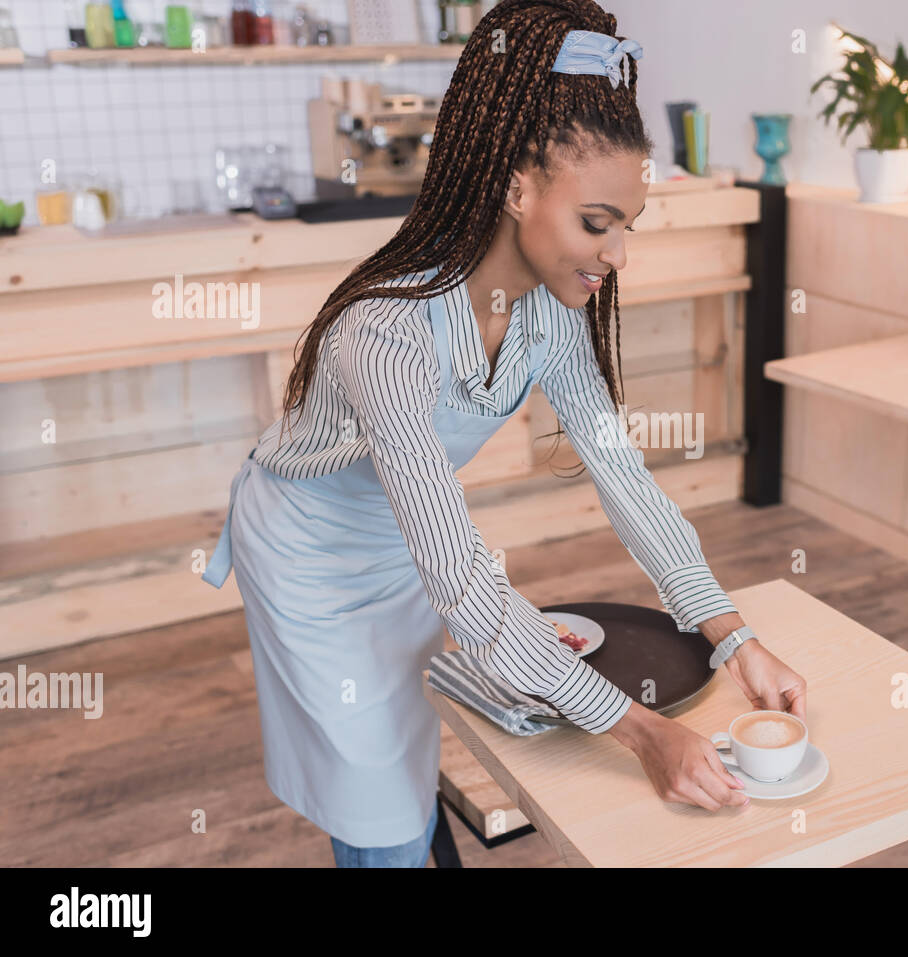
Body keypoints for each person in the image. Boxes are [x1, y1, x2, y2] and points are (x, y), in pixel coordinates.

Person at [201, 0, 807, 868]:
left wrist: (733, 636)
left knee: (402, 745)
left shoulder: (549, 317)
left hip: (404, 542)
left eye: (627, 226)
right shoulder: (387, 333)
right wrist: (640, 734)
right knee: (371, 790)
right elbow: (465, 584)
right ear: (517, 186)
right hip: (310, 560)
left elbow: (625, 481)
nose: (618, 256)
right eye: (597, 224)